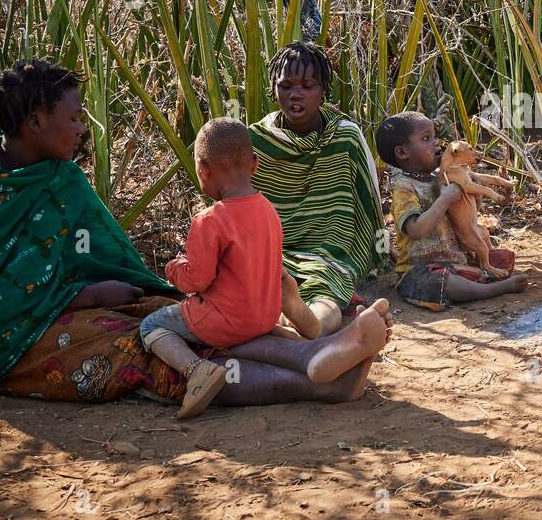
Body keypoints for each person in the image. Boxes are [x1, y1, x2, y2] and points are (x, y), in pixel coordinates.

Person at [0, 59, 390, 407]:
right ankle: (314, 383)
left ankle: (320, 349)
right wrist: (75, 296)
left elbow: (96, 251)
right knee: (143, 351)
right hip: (1, 340)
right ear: (36, 122)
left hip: (71, 301)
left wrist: (110, 288)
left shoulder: (58, 177)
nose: (83, 127)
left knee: (181, 311)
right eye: (73, 117)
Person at [141, 118, 382, 419]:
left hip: (222, 323)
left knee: (151, 325)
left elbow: (196, 281)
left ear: (203, 169)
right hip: (263, 317)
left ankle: (196, 371)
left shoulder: (209, 220)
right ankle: (321, 349)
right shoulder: (268, 211)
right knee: (257, 333)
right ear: (255, 164)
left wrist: (174, 268)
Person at [250, 42, 387, 332]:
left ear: (323, 89)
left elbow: (367, 200)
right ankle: (290, 329)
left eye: (307, 85)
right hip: (271, 250)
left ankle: (312, 328)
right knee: (254, 280)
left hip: (329, 249)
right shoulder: (257, 141)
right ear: (274, 89)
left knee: (326, 283)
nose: (295, 94)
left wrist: (375, 251)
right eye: (285, 85)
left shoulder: (344, 136)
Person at [375, 111, 528, 310]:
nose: (436, 143)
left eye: (434, 136)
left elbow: (464, 218)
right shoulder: (405, 186)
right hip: (420, 267)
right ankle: (493, 289)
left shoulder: (442, 178)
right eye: (426, 138)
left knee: (500, 258)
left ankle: (478, 276)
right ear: (403, 153)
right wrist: (445, 198)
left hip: (454, 260)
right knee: (437, 282)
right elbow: (416, 230)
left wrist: (475, 196)